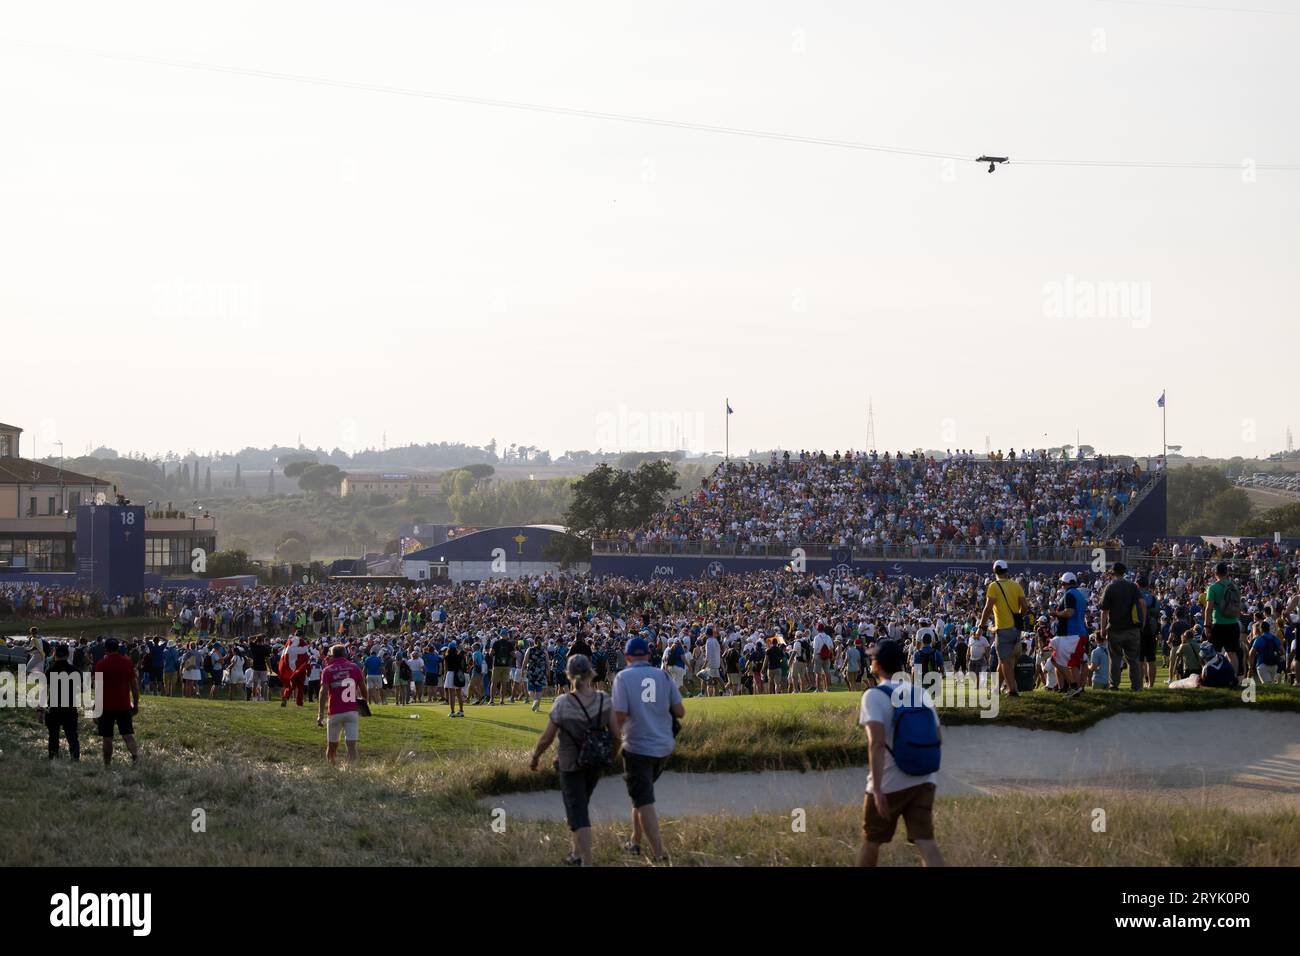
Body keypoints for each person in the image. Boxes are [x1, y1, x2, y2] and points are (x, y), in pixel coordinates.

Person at [856, 640, 944, 867]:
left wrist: (876, 788)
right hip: (925, 778)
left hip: (889, 781)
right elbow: (938, 737)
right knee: (926, 841)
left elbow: (876, 744)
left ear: (876, 665)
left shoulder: (873, 696)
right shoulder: (920, 692)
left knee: (871, 840)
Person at [529, 654, 619, 866]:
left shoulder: (562, 703)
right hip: (595, 762)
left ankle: (586, 860)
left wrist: (535, 757)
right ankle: (576, 854)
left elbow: (547, 738)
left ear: (568, 675)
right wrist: (611, 757)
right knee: (580, 805)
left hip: (570, 764)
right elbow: (616, 736)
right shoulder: (604, 700)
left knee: (578, 813)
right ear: (590, 673)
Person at [611, 636, 684, 863]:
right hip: (663, 746)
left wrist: (611, 743)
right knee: (640, 795)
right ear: (649, 655)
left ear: (627, 657)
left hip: (638, 747)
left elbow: (620, 716)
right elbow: (680, 711)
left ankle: (660, 853)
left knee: (643, 800)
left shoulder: (623, 677)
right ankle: (635, 842)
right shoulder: (661, 675)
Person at [974, 559, 1029, 697]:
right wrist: (1018, 616)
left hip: (1003, 629)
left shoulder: (994, 586)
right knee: (1003, 660)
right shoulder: (1016, 585)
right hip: (1016, 630)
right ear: (1007, 571)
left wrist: (981, 627)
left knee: (1005, 661)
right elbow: (1025, 606)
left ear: (994, 571)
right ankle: (996, 689)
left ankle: (1012, 690)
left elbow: (987, 609)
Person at [92, 637, 140, 766]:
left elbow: (98, 688)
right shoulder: (127, 662)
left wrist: (95, 708)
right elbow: (134, 686)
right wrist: (135, 703)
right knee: (128, 735)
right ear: (118, 648)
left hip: (106, 706)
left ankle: (107, 764)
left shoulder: (101, 664)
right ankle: (135, 757)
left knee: (107, 737)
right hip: (124, 705)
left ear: (106, 649)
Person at [1099, 562, 1144, 691]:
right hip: (1132, 628)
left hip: (1115, 629)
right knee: (1134, 660)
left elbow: (1104, 611)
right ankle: (1136, 686)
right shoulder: (1132, 587)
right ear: (1124, 573)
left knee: (1115, 659)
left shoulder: (1110, 587)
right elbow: (1142, 604)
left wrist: (1102, 628)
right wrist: (1143, 622)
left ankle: (1114, 685)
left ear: (1112, 573)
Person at [317, 643, 364, 766]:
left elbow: (323, 692)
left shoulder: (327, 670)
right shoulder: (354, 668)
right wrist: (363, 706)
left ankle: (331, 770)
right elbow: (363, 689)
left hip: (335, 711)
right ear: (346, 654)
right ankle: (351, 772)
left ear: (331, 655)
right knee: (352, 747)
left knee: (332, 746)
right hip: (351, 710)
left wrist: (320, 714)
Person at [44, 643, 81, 761]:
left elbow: (44, 691)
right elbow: (80, 689)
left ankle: (53, 758)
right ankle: (75, 758)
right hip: (70, 706)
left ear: (55, 654)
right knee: (72, 735)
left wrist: (40, 709)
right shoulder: (74, 670)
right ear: (68, 654)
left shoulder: (50, 670)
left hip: (54, 707)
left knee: (53, 735)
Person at [1204, 562, 1243, 674]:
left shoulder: (1213, 587)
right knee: (1232, 653)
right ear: (1227, 573)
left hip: (1218, 624)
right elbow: (1238, 606)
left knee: (1214, 653)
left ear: (1215, 573)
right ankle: (1233, 678)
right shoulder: (1234, 587)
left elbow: (1208, 609)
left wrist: (1207, 626)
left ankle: (1214, 677)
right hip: (1233, 624)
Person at [443, 640, 466, 717]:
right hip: (458, 674)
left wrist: (444, 677)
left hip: (450, 674)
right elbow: (462, 666)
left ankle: (452, 712)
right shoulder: (459, 656)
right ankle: (461, 711)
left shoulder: (446, 657)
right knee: (459, 694)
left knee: (451, 694)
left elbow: (445, 669)